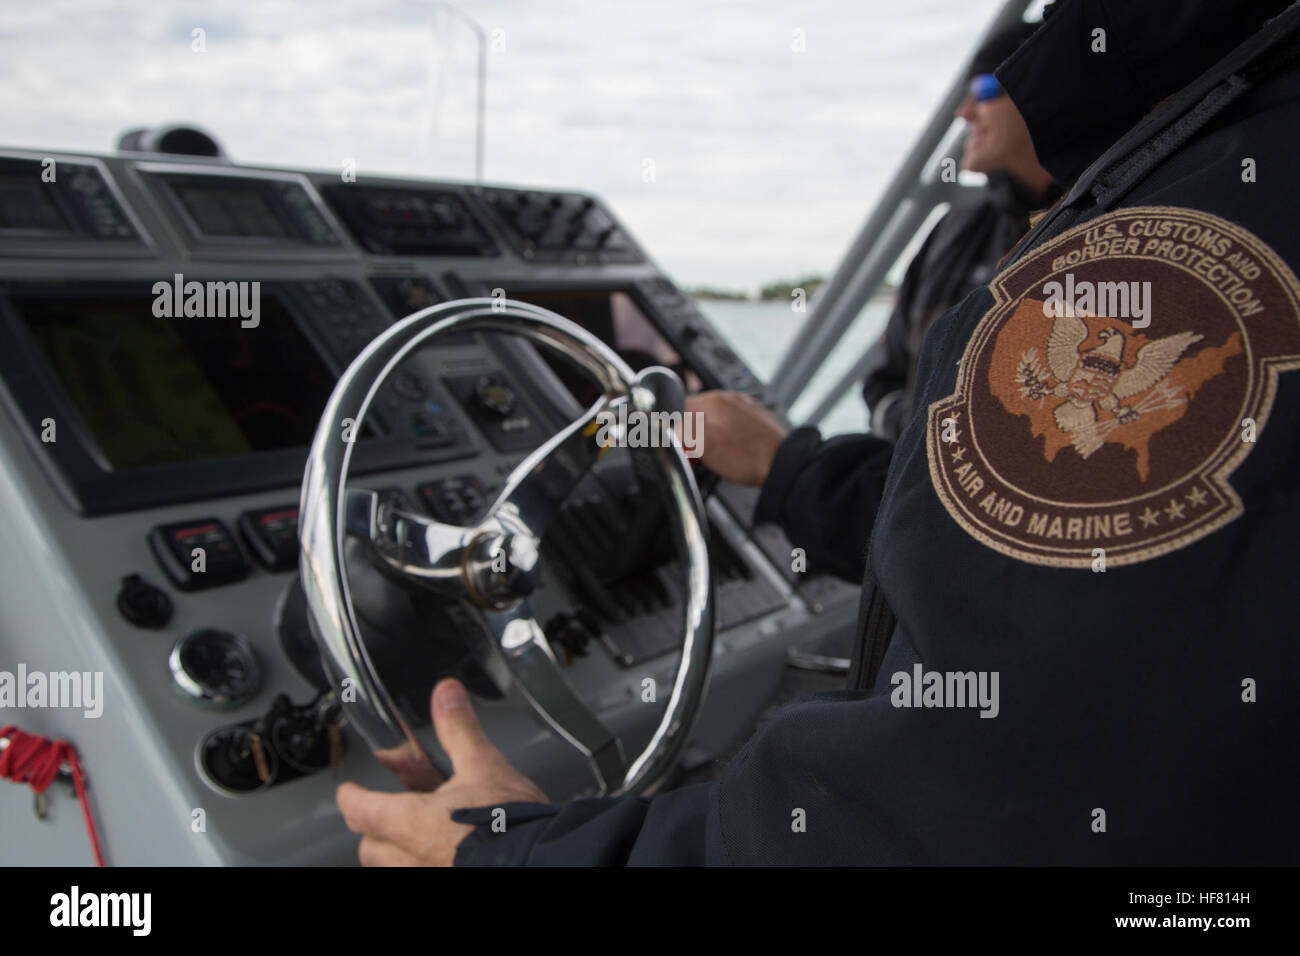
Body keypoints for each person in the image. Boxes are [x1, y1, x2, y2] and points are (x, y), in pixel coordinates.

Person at [336, 0, 1300, 865]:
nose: (967, 108)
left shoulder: (1192, 236)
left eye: (986, 87)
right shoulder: (1202, 167)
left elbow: (960, 813)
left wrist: (519, 857)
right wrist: (793, 468)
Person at [862, 21, 1059, 442]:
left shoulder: (1105, 228)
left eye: (985, 90)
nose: (964, 111)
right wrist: (913, 443)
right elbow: (884, 378)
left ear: (1045, 87)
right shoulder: (952, 229)